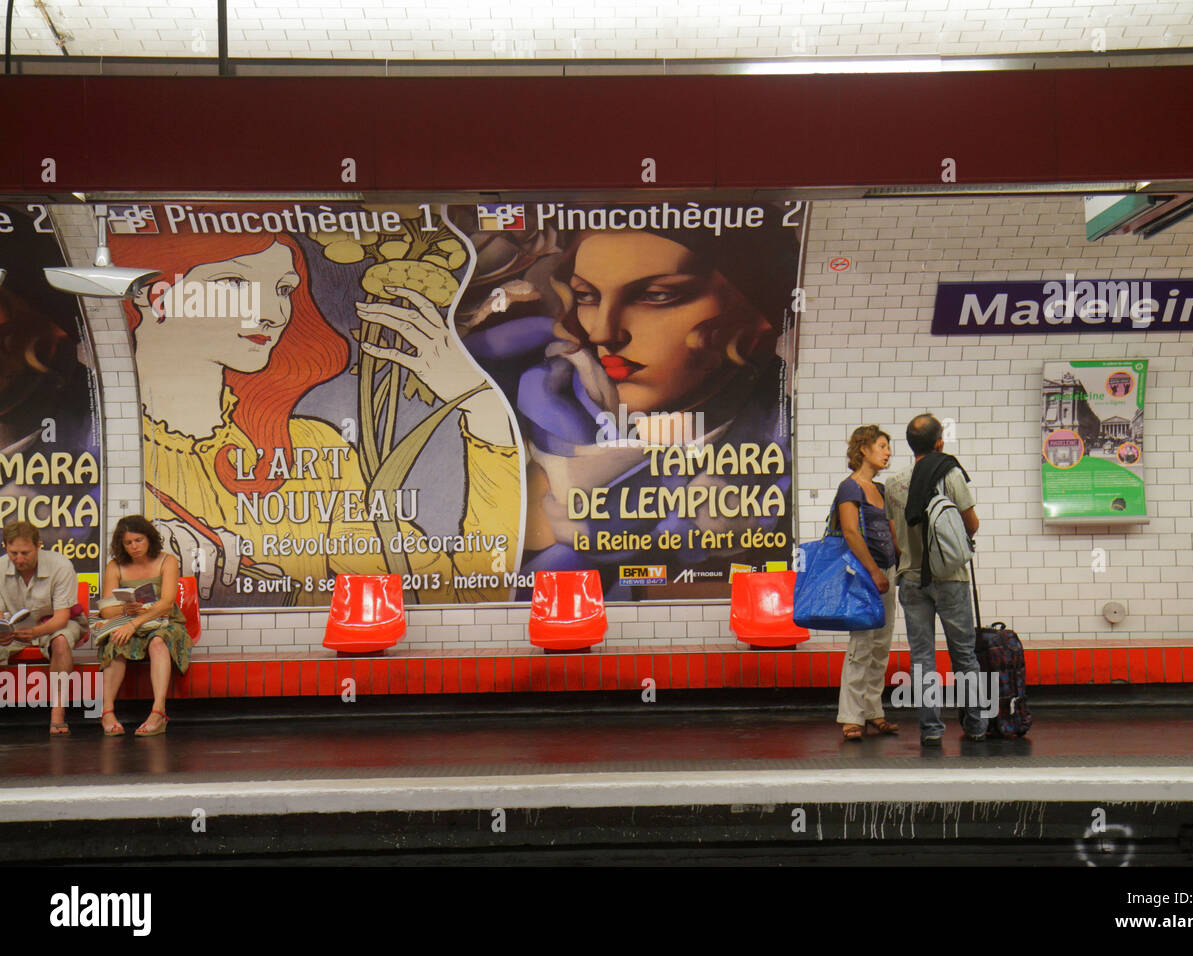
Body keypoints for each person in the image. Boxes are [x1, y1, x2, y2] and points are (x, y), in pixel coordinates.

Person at [109, 229, 519, 605]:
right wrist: (142, 567)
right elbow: (108, 617)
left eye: (284, 289)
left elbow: (472, 597)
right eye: (236, 284)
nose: (273, 314)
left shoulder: (315, 452)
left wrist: (478, 401)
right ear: (156, 294)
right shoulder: (110, 452)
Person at [465, 211, 798, 598]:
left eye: (656, 296)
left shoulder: (782, 442)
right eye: (587, 295)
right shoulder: (539, 387)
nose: (604, 331)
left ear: (758, 312)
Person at [883, 413, 987, 745]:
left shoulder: (893, 483)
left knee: (922, 657)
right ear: (939, 443)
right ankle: (976, 726)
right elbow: (971, 524)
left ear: (910, 445)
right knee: (964, 655)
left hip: (912, 580)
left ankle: (930, 730)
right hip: (951, 578)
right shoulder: (950, 474)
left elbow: (895, 538)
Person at [833, 426, 899, 739]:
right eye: (882, 446)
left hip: (888, 572)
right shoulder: (850, 488)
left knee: (881, 644)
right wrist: (874, 571)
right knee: (861, 644)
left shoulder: (881, 490)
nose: (888, 452)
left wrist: (900, 563)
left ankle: (873, 710)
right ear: (864, 449)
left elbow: (890, 532)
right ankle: (851, 715)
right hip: (863, 575)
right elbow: (850, 532)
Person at [96, 515, 189, 736]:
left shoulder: (167, 561)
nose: (134, 547)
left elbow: (166, 603)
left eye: (138, 540)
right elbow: (107, 610)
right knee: (116, 639)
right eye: (128, 543)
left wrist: (135, 621)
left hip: (164, 622)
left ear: (149, 539)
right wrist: (127, 611)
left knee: (158, 642)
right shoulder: (115, 566)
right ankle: (107, 712)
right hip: (130, 620)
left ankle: (158, 713)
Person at [0, 521, 86, 735]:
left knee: (61, 641)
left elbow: (62, 617)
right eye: (14, 553)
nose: (19, 559)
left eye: (25, 553)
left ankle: (58, 713)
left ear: (38, 546)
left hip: (55, 624)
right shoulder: (0, 567)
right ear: (5, 547)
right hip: (16, 630)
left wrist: (36, 632)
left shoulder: (61, 565)